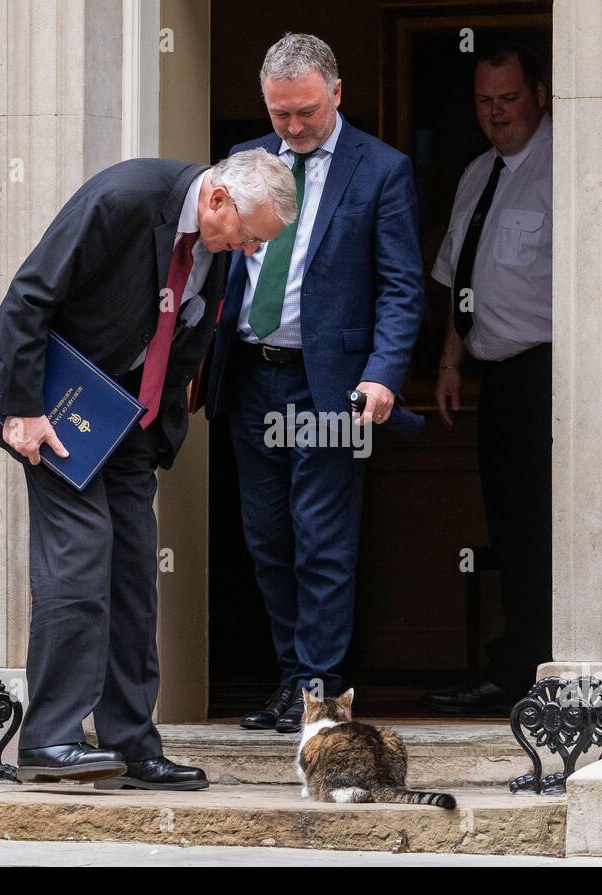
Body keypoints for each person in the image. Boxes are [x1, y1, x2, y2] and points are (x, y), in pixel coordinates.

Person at [0, 150, 297, 786]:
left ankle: (133, 745)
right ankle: (50, 739)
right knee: (80, 558)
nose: (250, 250)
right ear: (218, 198)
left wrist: (160, 428)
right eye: (249, 235)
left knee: (135, 576)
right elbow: (31, 295)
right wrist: (25, 410)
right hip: (60, 408)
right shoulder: (124, 197)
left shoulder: (215, 248)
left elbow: (187, 330)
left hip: (128, 425)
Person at [204, 33, 424, 733]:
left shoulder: (381, 171)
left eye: (304, 113)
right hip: (250, 378)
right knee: (267, 539)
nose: (292, 129)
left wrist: (383, 375)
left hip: (326, 387)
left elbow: (400, 287)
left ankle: (321, 694)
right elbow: (215, 269)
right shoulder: (246, 164)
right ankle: (291, 681)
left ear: (336, 92)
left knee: (322, 541)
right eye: (280, 115)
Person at [424, 42, 553, 714]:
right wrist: (450, 360)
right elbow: (456, 278)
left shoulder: (566, 165)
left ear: (538, 92)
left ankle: (543, 670)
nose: (496, 113)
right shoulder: (478, 173)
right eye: (484, 101)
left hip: (550, 374)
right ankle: (515, 666)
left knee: (541, 528)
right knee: (507, 525)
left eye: (508, 98)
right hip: (494, 379)